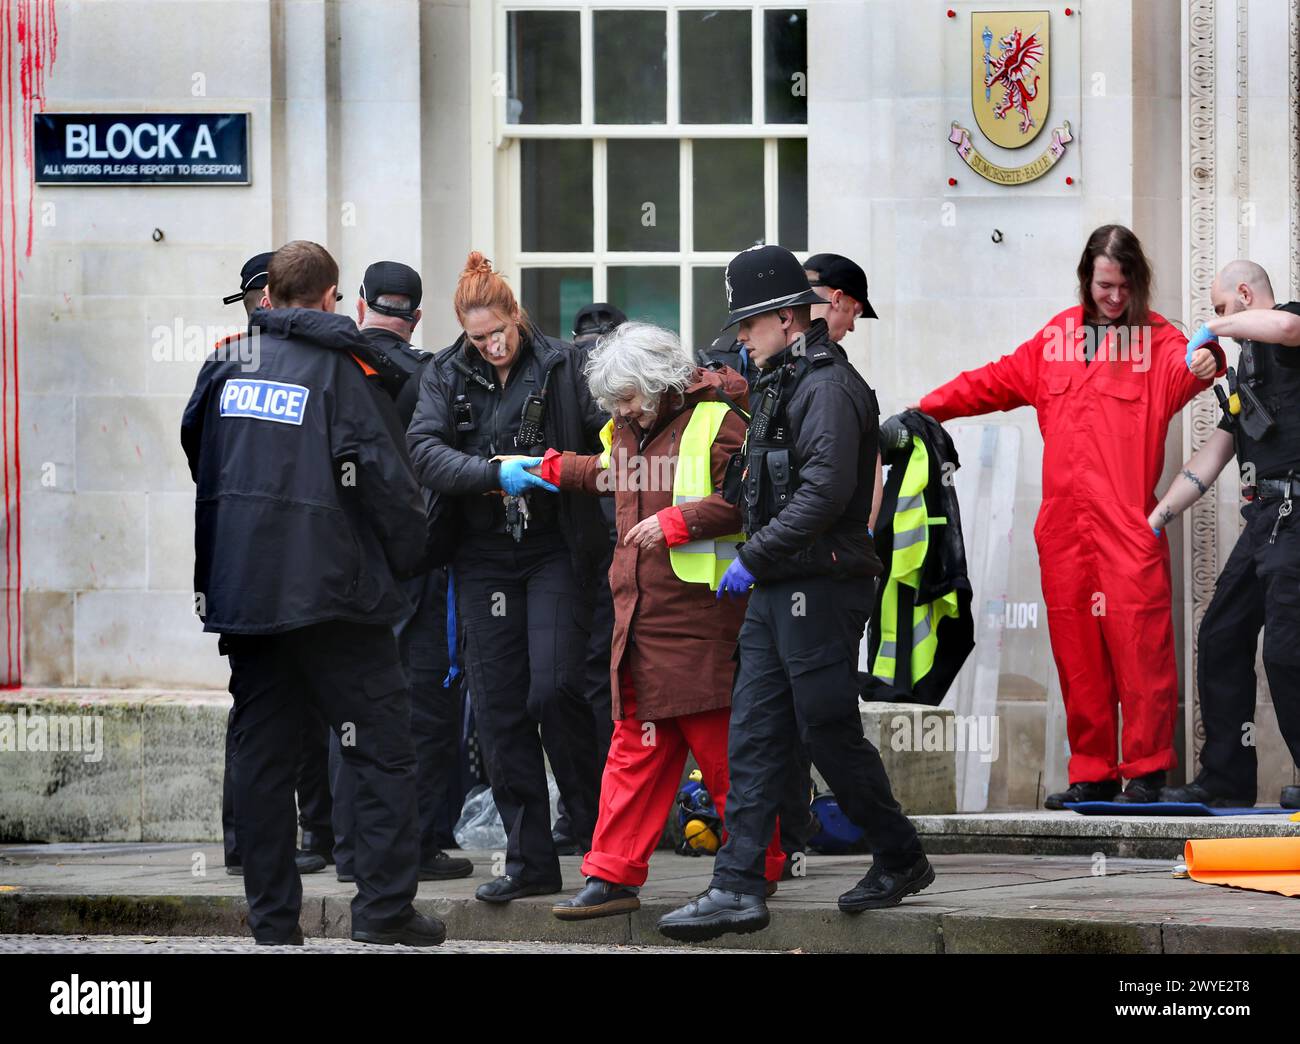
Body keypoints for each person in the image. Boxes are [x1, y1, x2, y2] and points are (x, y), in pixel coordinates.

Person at [657, 246, 931, 942]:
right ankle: (738, 887)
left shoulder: (829, 389)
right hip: (781, 583)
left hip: (820, 583)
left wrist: (753, 556)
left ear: (787, 317)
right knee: (754, 735)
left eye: (749, 323)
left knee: (825, 730)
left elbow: (823, 495)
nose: (740, 337)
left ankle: (898, 853)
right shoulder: (781, 380)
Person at [182, 240, 444, 947]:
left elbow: (196, 449)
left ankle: (273, 923)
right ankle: (384, 911)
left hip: (247, 598)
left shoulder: (225, 363)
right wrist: (412, 557)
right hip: (338, 600)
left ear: (266, 295)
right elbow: (387, 486)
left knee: (264, 762)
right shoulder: (344, 371)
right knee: (381, 753)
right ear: (331, 298)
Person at [915, 224, 1226, 807]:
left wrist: (1211, 358)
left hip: (1126, 525)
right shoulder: (1056, 338)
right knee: (1076, 653)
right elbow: (993, 380)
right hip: (1063, 530)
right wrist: (924, 407)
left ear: (1139, 284)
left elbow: (1202, 365)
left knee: (1141, 650)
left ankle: (1145, 770)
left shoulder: (1159, 344)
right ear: (1087, 279)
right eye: (1104, 284)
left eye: (1123, 286)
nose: (1113, 297)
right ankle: (1092, 770)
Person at [538, 321, 786, 919]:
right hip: (643, 621)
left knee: (723, 757)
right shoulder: (629, 426)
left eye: (628, 399)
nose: (621, 411)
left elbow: (750, 498)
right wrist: (547, 469)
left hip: (702, 623)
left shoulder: (719, 420)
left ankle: (757, 865)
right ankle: (612, 875)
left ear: (659, 385)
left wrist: (677, 523)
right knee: (635, 755)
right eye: (615, 402)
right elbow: (610, 473)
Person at [407, 252, 607, 902]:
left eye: (501, 332)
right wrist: (492, 473)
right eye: (478, 337)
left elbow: (611, 440)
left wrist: (567, 469)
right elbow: (425, 451)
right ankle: (530, 861)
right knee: (497, 707)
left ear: (517, 316)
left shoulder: (564, 364)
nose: (492, 346)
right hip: (483, 554)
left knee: (552, 691)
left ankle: (593, 831)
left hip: (553, 547)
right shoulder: (444, 372)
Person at [328, 261, 474, 884]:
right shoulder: (433, 375)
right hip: (417, 567)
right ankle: (415, 844)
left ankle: (348, 845)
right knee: (423, 709)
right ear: (416, 317)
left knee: (348, 709)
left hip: (341, 568)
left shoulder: (328, 371)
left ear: (360, 306)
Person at [1145, 261, 1300, 810]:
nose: (1217, 319)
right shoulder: (1249, 375)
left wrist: (1212, 333)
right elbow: (1209, 460)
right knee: (1220, 635)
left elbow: (1284, 329)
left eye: (1220, 307)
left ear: (1243, 294)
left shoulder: (1288, 324)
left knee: (1286, 651)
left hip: (1296, 514)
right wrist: (1155, 520)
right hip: (1264, 521)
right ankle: (1226, 778)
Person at [217, 250, 329, 879]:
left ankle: (288, 840)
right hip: (274, 569)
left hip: (255, 568)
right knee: (263, 720)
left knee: (276, 717)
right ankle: (254, 845)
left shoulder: (234, 361)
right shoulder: (237, 360)